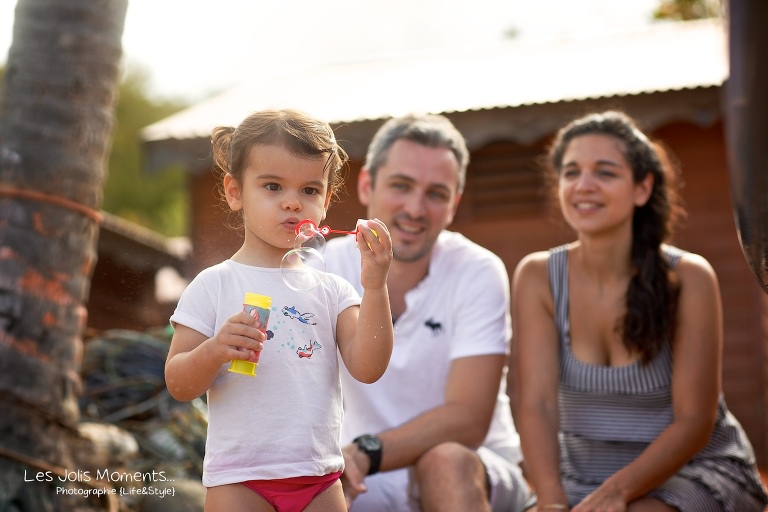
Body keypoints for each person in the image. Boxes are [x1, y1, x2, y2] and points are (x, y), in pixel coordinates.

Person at [511, 110, 768, 512]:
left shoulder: (687, 278)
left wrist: (617, 494)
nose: (584, 185)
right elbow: (537, 404)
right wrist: (552, 502)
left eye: (605, 172)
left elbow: (694, 421)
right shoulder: (537, 276)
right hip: (580, 482)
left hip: (692, 473)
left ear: (642, 188)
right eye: (571, 172)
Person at [164, 108, 395, 512]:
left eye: (309, 190)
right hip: (239, 480)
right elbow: (179, 384)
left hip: (321, 478)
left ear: (325, 200)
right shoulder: (214, 285)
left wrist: (375, 285)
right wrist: (215, 349)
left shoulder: (333, 290)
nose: (293, 203)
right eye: (273, 186)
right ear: (235, 192)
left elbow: (369, 367)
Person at [324, 113, 530, 512]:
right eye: (401, 186)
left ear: (453, 204)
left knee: (445, 462)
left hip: (474, 467)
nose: (416, 209)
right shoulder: (324, 270)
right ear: (367, 184)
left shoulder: (477, 269)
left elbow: (468, 419)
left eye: (436, 193)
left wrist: (366, 451)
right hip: (362, 474)